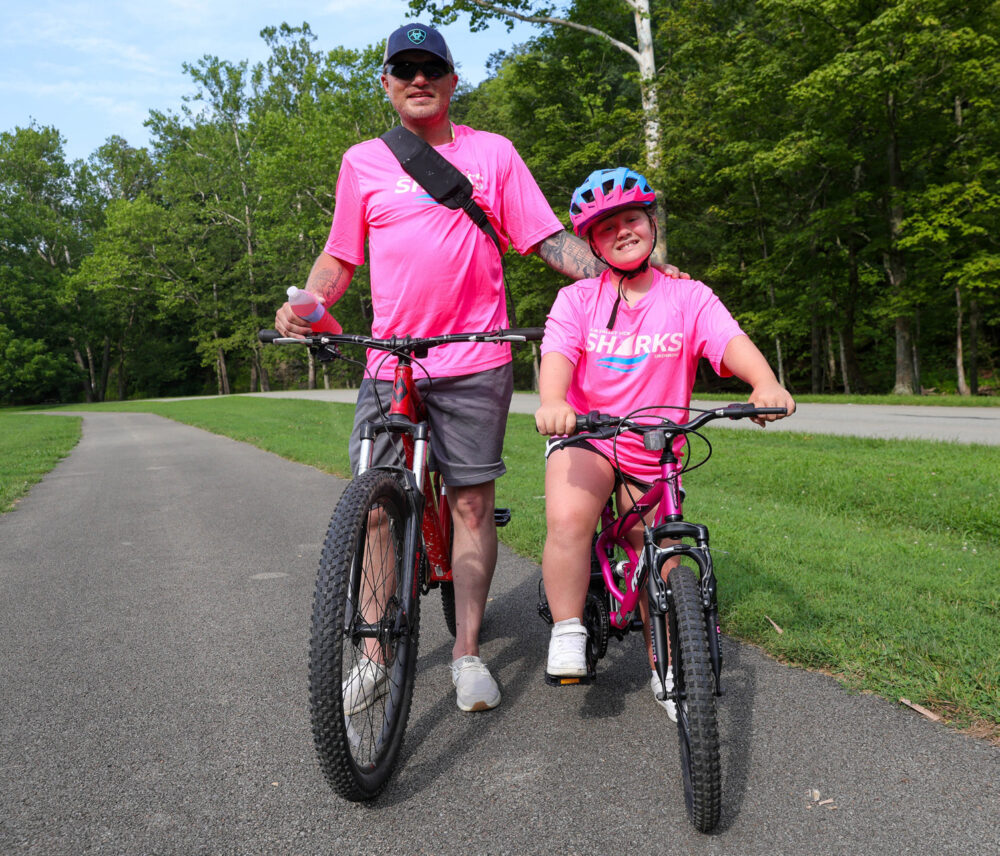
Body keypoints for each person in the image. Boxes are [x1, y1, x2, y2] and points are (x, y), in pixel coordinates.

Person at [275, 24, 685, 713]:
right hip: (392, 360)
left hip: (476, 354)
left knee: (469, 504)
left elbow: (547, 237)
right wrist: (312, 300)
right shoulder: (361, 162)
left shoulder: (490, 154)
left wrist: (631, 275)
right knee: (375, 511)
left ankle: (466, 652)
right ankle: (374, 656)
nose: (417, 79)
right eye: (403, 69)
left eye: (430, 68)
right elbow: (341, 254)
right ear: (385, 82)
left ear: (451, 81)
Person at [535, 167, 794, 718]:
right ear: (591, 243)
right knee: (570, 517)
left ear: (651, 224)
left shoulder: (688, 296)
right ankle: (568, 627)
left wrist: (764, 382)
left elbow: (730, 341)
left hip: (656, 443)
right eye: (608, 228)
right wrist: (555, 402)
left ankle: (675, 667)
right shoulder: (577, 299)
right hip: (591, 436)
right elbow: (556, 356)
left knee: (664, 554)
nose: (623, 232)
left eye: (632, 219)